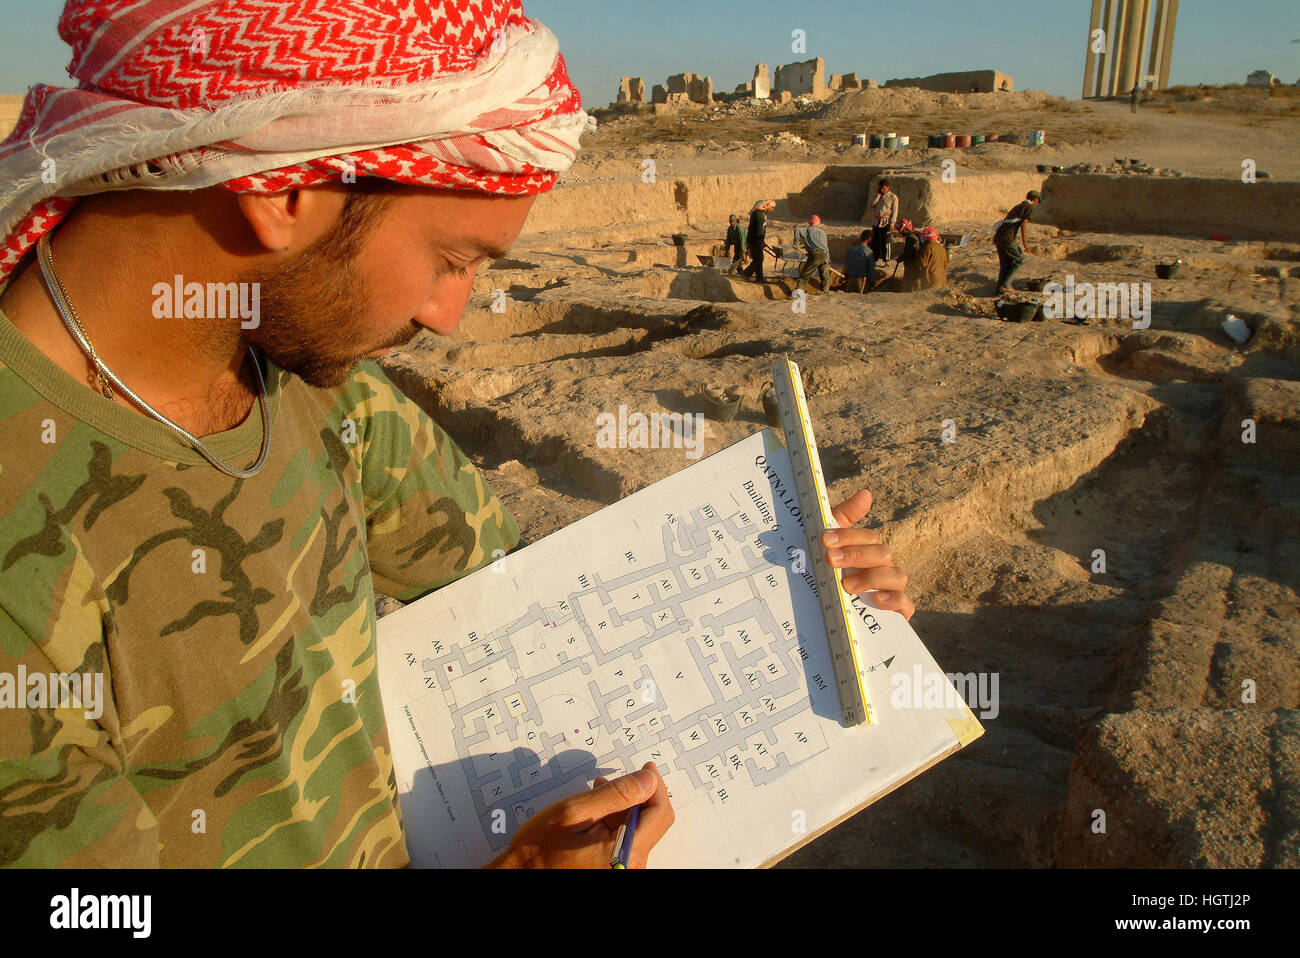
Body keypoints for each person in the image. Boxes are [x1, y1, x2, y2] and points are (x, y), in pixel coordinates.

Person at [0, 0, 917, 869]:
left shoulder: (311, 386)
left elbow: (526, 603)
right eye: (449, 261)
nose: (449, 316)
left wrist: (786, 592)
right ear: (288, 189)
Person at [993, 190, 1041, 294]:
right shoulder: (1029, 207)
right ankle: (1007, 284)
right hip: (1007, 238)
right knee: (1020, 259)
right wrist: (1025, 243)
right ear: (1035, 199)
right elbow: (1024, 223)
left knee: (1006, 265)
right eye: (1037, 201)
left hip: (999, 237)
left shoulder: (1018, 206)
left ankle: (999, 290)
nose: (1037, 203)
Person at [741, 199, 776, 281]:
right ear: (767, 207)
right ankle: (746, 274)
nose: (772, 210)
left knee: (758, 258)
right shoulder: (760, 215)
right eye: (771, 208)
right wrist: (761, 240)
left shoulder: (755, 213)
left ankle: (759, 277)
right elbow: (760, 229)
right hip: (756, 240)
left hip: (751, 239)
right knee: (759, 259)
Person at [794, 215, 831, 293]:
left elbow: (797, 230)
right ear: (819, 223)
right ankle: (825, 290)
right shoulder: (823, 233)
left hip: (815, 255)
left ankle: (799, 290)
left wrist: (796, 243)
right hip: (824, 255)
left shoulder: (807, 230)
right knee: (824, 275)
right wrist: (828, 260)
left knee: (804, 274)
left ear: (809, 222)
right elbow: (826, 247)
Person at [868, 179, 898, 263]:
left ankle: (886, 260)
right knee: (876, 241)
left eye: (883, 189)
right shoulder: (878, 196)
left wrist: (892, 224)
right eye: (881, 188)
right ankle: (875, 258)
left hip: (886, 222)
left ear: (888, 187)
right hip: (876, 222)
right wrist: (877, 196)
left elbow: (895, 211)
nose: (882, 190)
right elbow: (871, 205)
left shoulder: (893, 197)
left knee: (886, 242)